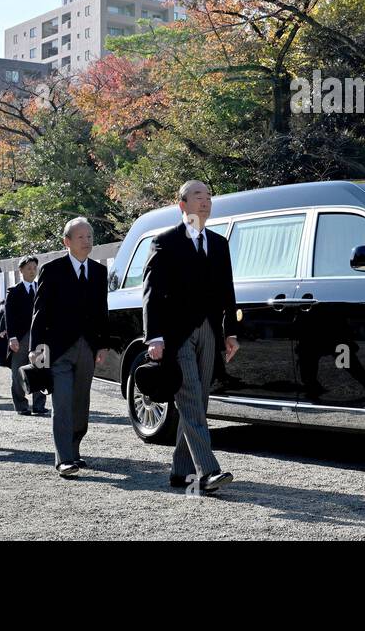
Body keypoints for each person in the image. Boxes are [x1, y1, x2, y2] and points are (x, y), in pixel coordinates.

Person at [142, 180, 240, 494]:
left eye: (210, 196)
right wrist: (154, 336)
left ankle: (180, 469)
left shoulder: (219, 243)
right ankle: (208, 471)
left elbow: (228, 292)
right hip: (175, 335)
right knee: (190, 400)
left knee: (200, 400)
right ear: (182, 204)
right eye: (199, 196)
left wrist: (231, 332)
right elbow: (152, 293)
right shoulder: (165, 241)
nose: (206, 201)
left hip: (210, 331)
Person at [30, 218, 109, 478]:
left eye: (89, 237)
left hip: (87, 347)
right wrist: (37, 349)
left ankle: (74, 449)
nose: (87, 241)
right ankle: (63, 459)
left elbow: (101, 311)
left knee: (80, 403)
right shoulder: (52, 270)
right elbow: (40, 312)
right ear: (67, 242)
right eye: (81, 237)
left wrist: (102, 344)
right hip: (58, 349)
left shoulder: (98, 272)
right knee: (62, 403)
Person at [3, 256, 47, 416]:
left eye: (35, 268)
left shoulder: (42, 289)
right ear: (21, 270)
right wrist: (12, 337)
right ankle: (21, 405)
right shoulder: (14, 291)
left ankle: (39, 405)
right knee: (18, 372)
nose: (32, 271)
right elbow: (9, 316)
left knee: (41, 369)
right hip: (20, 338)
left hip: (41, 337)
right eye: (28, 268)